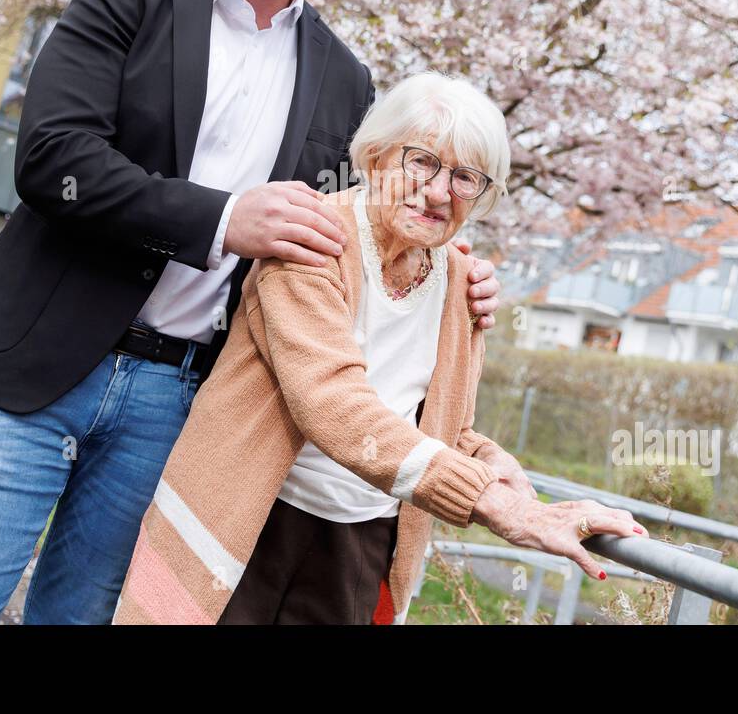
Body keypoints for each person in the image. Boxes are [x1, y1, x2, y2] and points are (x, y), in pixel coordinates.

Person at [0, 0, 502, 625]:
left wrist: (451, 277)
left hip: (178, 406)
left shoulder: (347, 82)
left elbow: (355, 235)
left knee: (85, 620)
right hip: (31, 369)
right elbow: (52, 157)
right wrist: (222, 221)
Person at [113, 72, 649, 625]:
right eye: (421, 161)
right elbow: (332, 401)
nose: (439, 191)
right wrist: (494, 505)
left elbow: (445, 426)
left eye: (466, 177)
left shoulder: (463, 284)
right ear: (374, 157)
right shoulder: (313, 241)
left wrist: (503, 474)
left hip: (362, 538)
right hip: (247, 515)